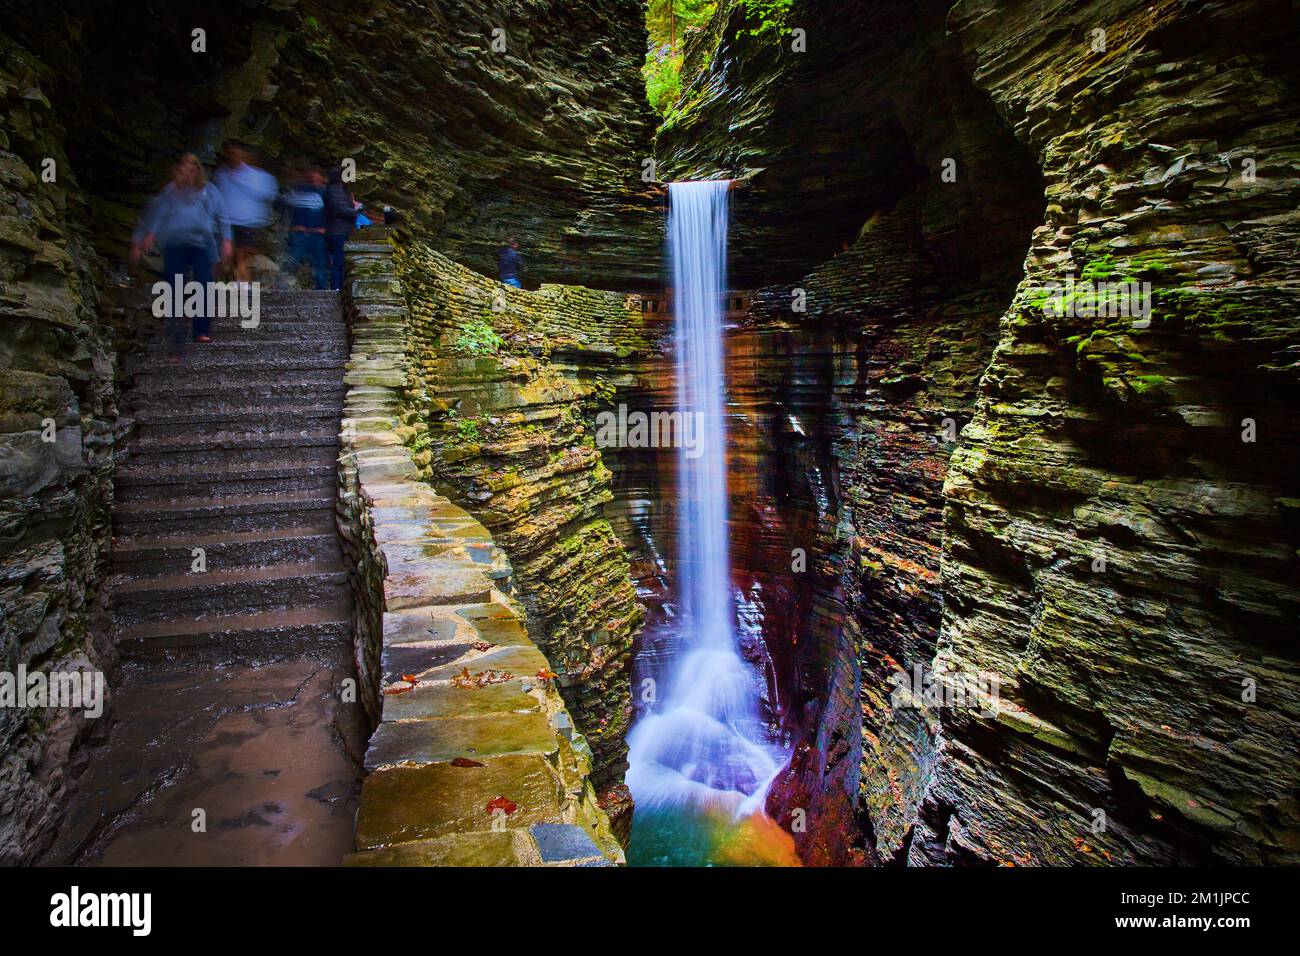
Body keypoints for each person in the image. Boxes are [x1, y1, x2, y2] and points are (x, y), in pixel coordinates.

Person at [131, 152, 232, 356]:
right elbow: (158, 214)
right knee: (176, 288)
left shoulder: (208, 191)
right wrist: (148, 235)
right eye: (185, 170)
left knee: (204, 285)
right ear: (179, 171)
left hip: (201, 245)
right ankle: (177, 334)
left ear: (197, 172)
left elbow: (222, 216)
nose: (188, 175)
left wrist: (226, 241)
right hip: (175, 244)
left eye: (192, 171)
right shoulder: (171, 191)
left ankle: (201, 330)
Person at [213, 142, 278, 282]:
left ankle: (244, 289)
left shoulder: (259, 176)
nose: (235, 157)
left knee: (242, 256)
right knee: (225, 258)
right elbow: (218, 198)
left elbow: (268, 195)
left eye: (238, 153)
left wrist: (240, 179)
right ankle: (224, 287)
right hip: (226, 223)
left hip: (249, 223)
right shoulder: (222, 174)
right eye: (232, 153)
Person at [279, 168, 327, 289]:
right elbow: (283, 205)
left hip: (318, 235)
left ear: (322, 179)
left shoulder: (326, 193)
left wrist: (326, 229)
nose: (313, 181)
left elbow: (332, 213)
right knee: (292, 261)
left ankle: (321, 292)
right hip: (299, 234)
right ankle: (282, 287)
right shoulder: (298, 191)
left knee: (319, 266)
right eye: (310, 179)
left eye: (316, 179)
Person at [324, 167, 358, 291]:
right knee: (338, 262)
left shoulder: (337, 191)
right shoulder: (335, 191)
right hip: (338, 231)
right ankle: (336, 288)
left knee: (340, 261)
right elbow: (341, 209)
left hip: (340, 230)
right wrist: (356, 210)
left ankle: (338, 286)